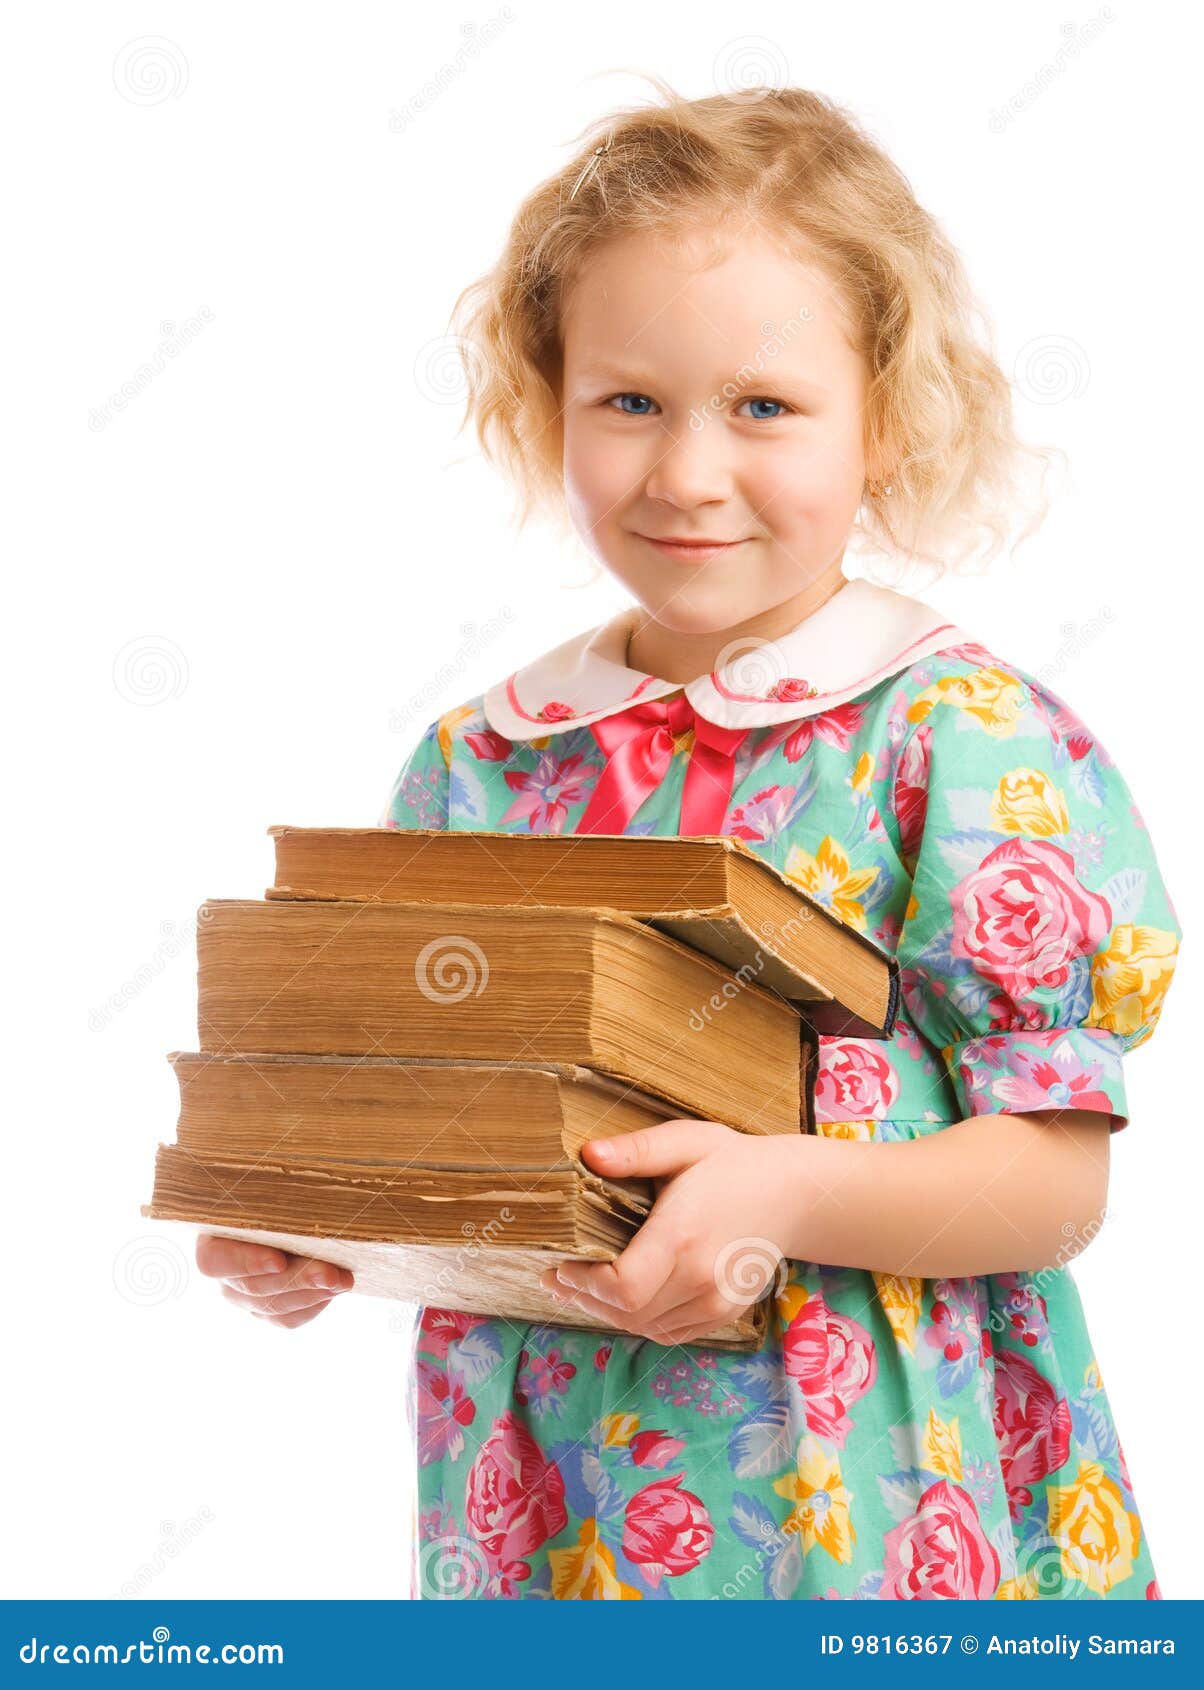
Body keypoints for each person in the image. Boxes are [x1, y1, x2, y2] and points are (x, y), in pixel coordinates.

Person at [196, 81, 1182, 1600]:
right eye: (632, 400)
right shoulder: (482, 764)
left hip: (861, 1488)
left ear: (888, 420)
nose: (688, 472)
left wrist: (785, 1188)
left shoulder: (959, 740)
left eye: (767, 407)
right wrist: (310, 1218)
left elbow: (1056, 1184)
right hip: (545, 1478)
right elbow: (424, 1115)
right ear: (551, 402)